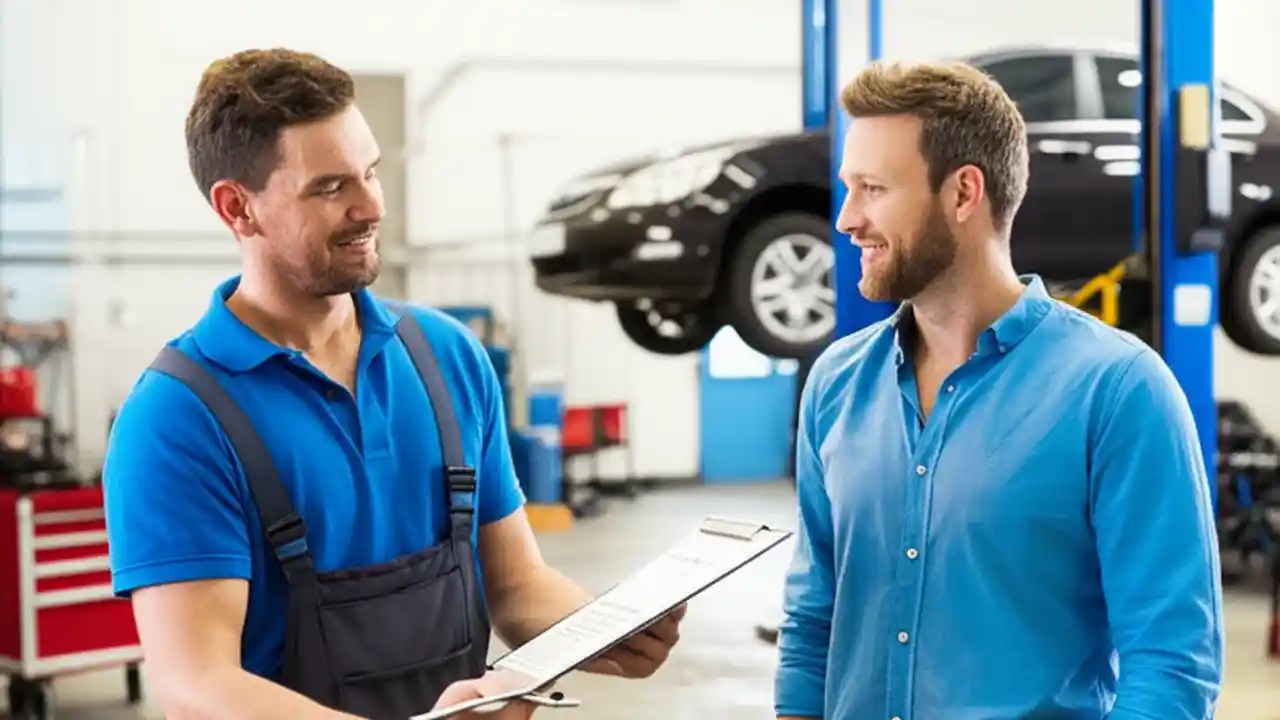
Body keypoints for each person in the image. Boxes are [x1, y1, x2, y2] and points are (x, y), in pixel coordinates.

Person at [102, 48, 683, 720]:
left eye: (370, 172)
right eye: (329, 187)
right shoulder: (178, 418)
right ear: (239, 208)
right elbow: (197, 686)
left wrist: (601, 629)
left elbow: (518, 586)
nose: (370, 205)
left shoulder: (446, 357)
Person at [773, 60, 1224, 720]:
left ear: (963, 194)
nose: (846, 219)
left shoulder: (1119, 392)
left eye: (872, 189)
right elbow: (813, 618)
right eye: (849, 188)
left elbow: (1171, 661)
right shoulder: (836, 385)